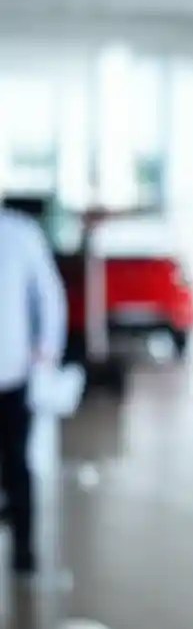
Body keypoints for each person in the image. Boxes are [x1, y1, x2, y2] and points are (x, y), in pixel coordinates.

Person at [0, 200, 67, 574]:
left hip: (11, 372)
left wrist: (46, 351)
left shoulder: (21, 233)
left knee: (16, 463)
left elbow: (49, 296)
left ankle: (23, 553)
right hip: (12, 366)